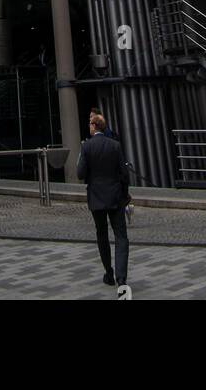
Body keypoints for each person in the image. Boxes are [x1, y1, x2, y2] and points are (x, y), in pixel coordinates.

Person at [77, 113, 130, 295]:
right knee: (121, 236)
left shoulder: (87, 147)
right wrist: (125, 194)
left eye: (90, 124)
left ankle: (109, 272)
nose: (89, 127)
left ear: (94, 126)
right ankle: (121, 278)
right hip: (115, 198)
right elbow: (124, 173)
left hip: (96, 198)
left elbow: (80, 173)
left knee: (102, 234)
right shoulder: (115, 146)